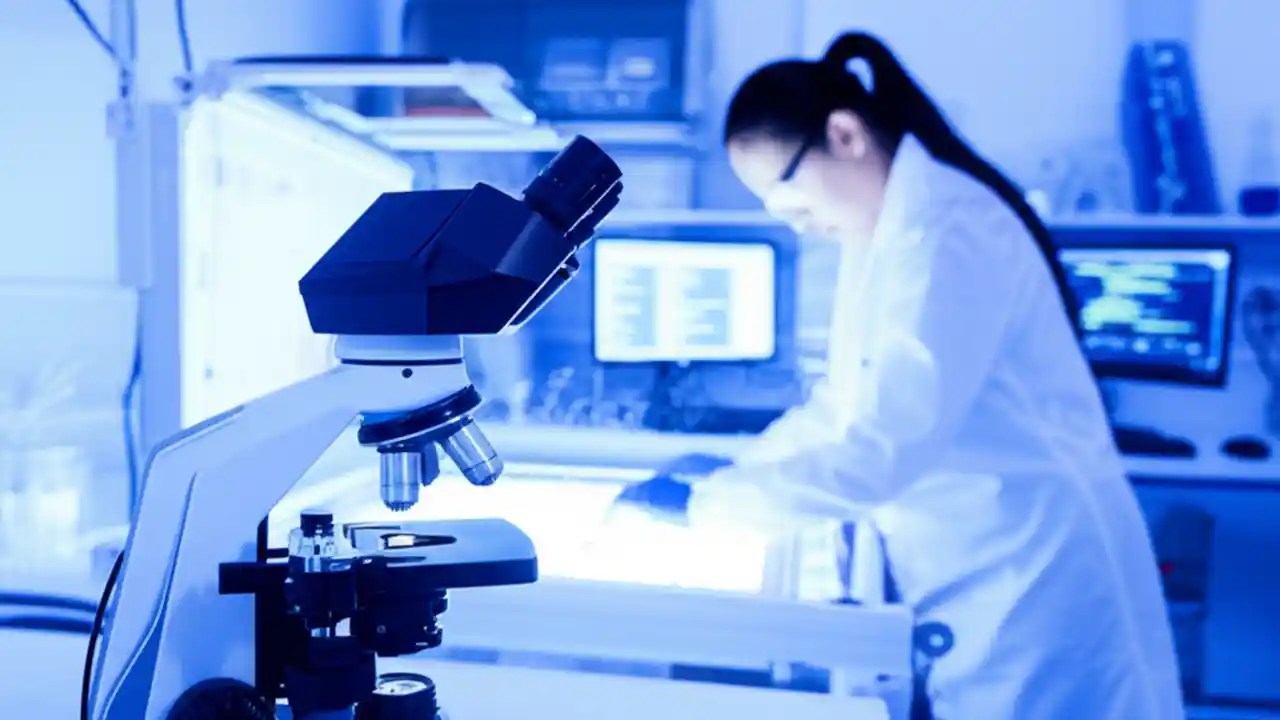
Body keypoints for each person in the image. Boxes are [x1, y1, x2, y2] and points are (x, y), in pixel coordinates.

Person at [616, 31, 1185, 720]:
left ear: (846, 135)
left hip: (1038, 576)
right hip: (989, 566)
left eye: (785, 191)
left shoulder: (947, 232)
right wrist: (736, 471)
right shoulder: (880, 235)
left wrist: (709, 510)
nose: (791, 221)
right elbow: (841, 409)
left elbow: (884, 446)